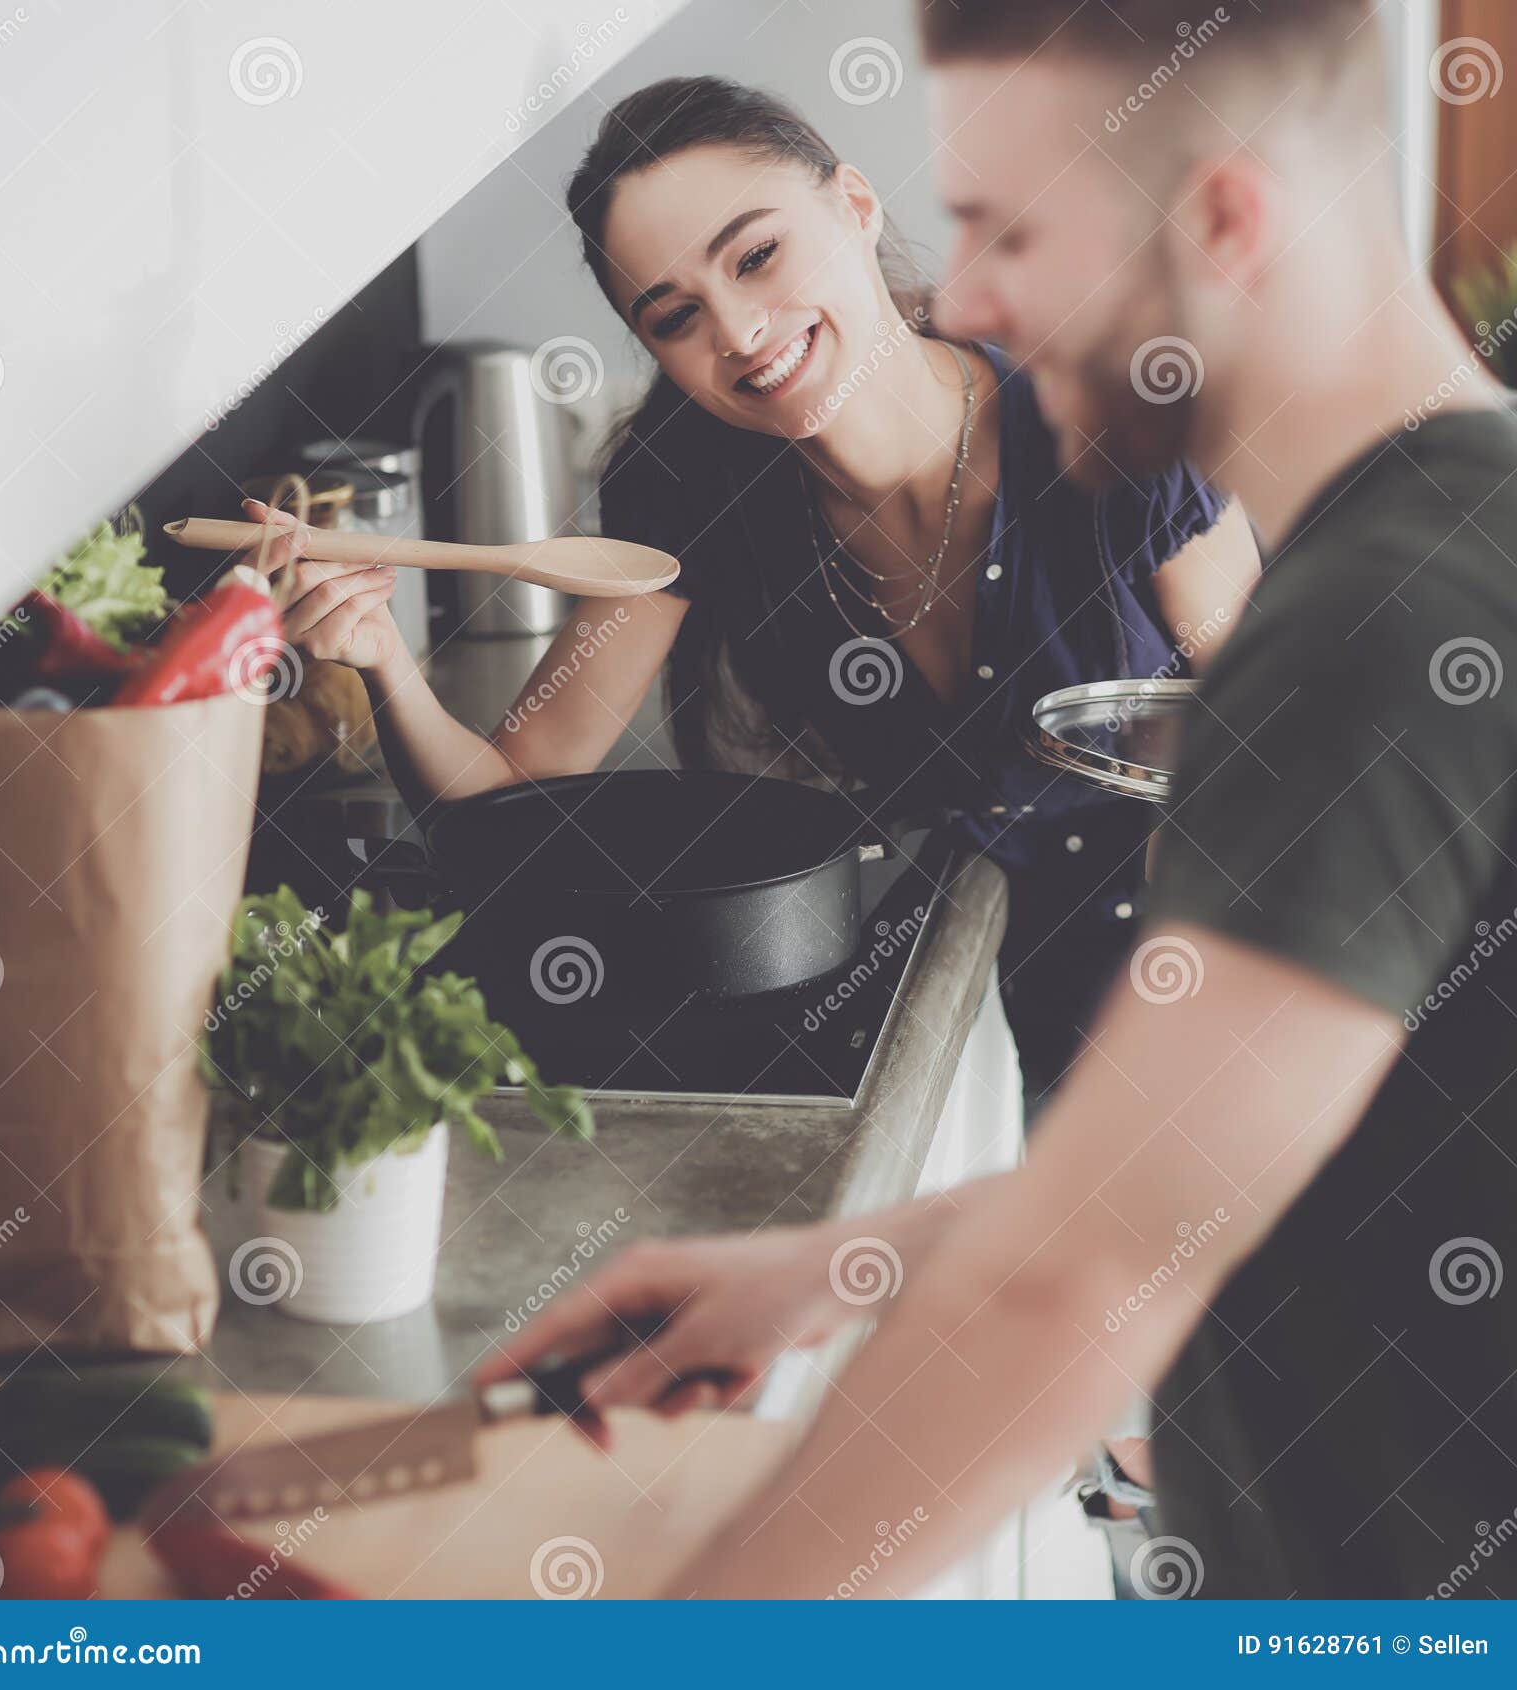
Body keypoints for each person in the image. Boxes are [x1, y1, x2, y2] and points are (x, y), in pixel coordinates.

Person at [477, 0, 1517, 1601]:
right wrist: (829, 1265)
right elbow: (1200, 1177)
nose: (963, 300)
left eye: (1011, 233)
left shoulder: (1369, 641)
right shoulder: (1446, 544)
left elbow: (1079, 1281)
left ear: (1222, 219)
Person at [261, 75, 1259, 1123]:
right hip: (950, 979)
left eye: (757, 255)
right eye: (675, 315)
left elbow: (1283, 736)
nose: (737, 332)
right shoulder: (693, 483)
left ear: (856, 205)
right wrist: (377, 651)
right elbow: (513, 797)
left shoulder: (1107, 422)